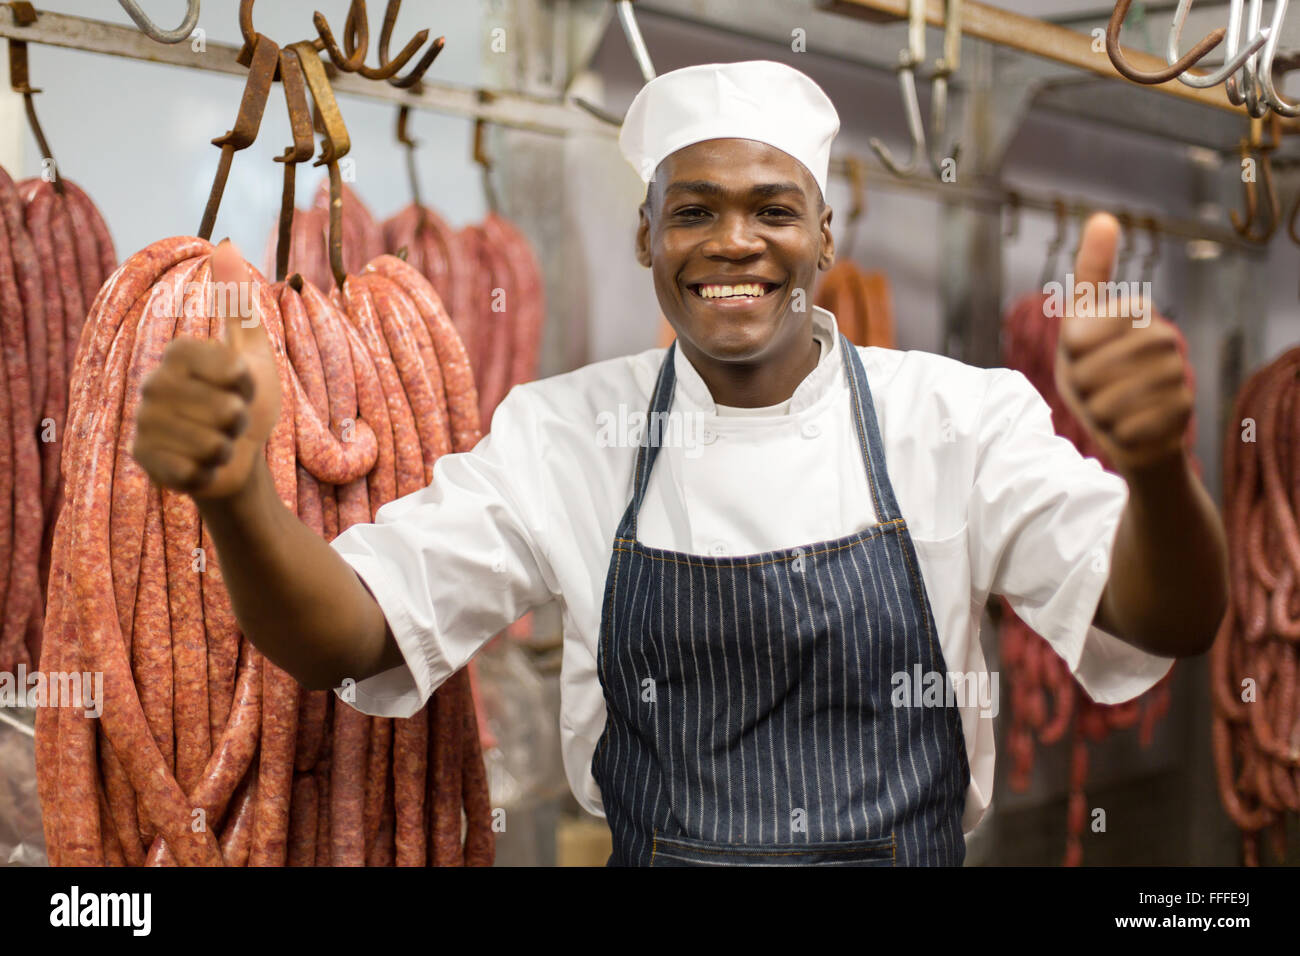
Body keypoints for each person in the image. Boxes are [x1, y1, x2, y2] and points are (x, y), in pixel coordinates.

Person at [131, 61, 1227, 866]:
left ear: (825, 238)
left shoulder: (956, 417)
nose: (734, 242)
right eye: (692, 210)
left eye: (772, 209)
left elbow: (1159, 617)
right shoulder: (563, 434)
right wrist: (237, 499)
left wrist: (1157, 468)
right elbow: (351, 630)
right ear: (647, 238)